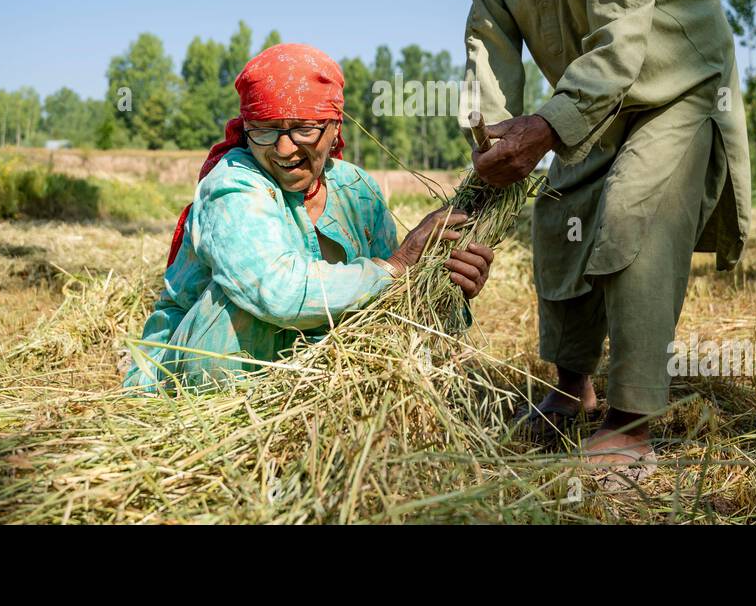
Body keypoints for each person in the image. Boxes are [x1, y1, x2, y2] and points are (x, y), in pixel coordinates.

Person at [441, 0, 752, 483]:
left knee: (632, 214)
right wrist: (492, 133)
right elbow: (489, 33)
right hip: (588, 101)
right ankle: (569, 387)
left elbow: (625, 31)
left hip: (671, 81)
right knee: (560, 213)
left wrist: (543, 129)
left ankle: (632, 419)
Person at [124, 43, 494, 391]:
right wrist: (394, 266)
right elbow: (276, 293)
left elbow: (391, 303)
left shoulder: (357, 189)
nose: (284, 149)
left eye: (303, 128)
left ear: (335, 127)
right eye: (266, 130)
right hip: (194, 384)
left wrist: (444, 286)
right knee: (243, 305)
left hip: (308, 381)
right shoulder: (233, 184)